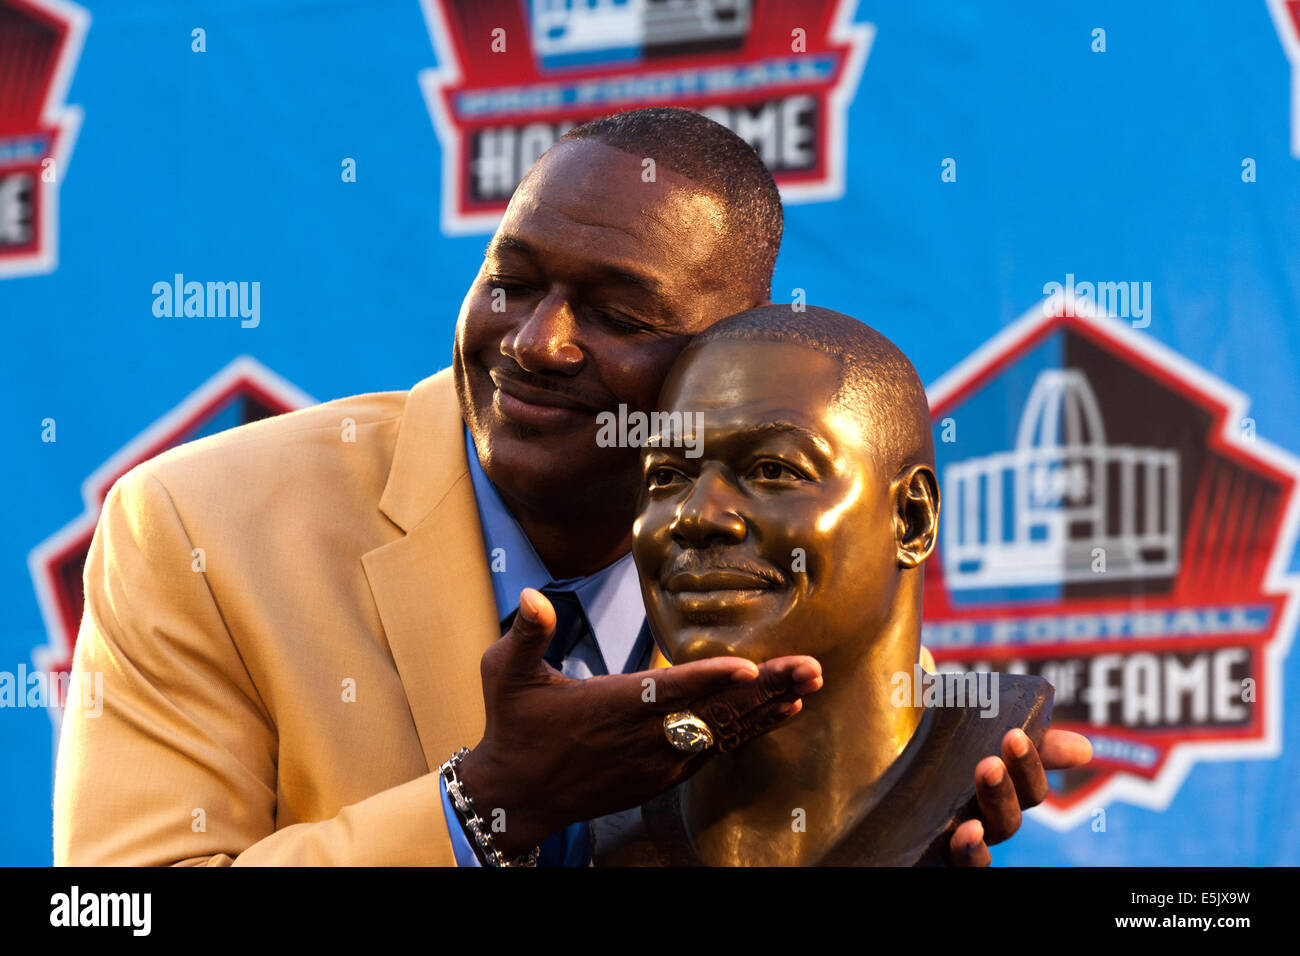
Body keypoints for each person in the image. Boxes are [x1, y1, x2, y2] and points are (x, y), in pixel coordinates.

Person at [54, 108, 1088, 867]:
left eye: (619, 315)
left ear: (727, 353)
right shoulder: (201, 525)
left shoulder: (782, 577)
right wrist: (484, 807)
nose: (536, 342)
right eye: (511, 281)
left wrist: (908, 782)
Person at [597, 304, 1064, 865]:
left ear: (911, 521)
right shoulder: (593, 805)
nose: (696, 516)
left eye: (773, 470)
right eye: (667, 477)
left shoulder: (978, 747)